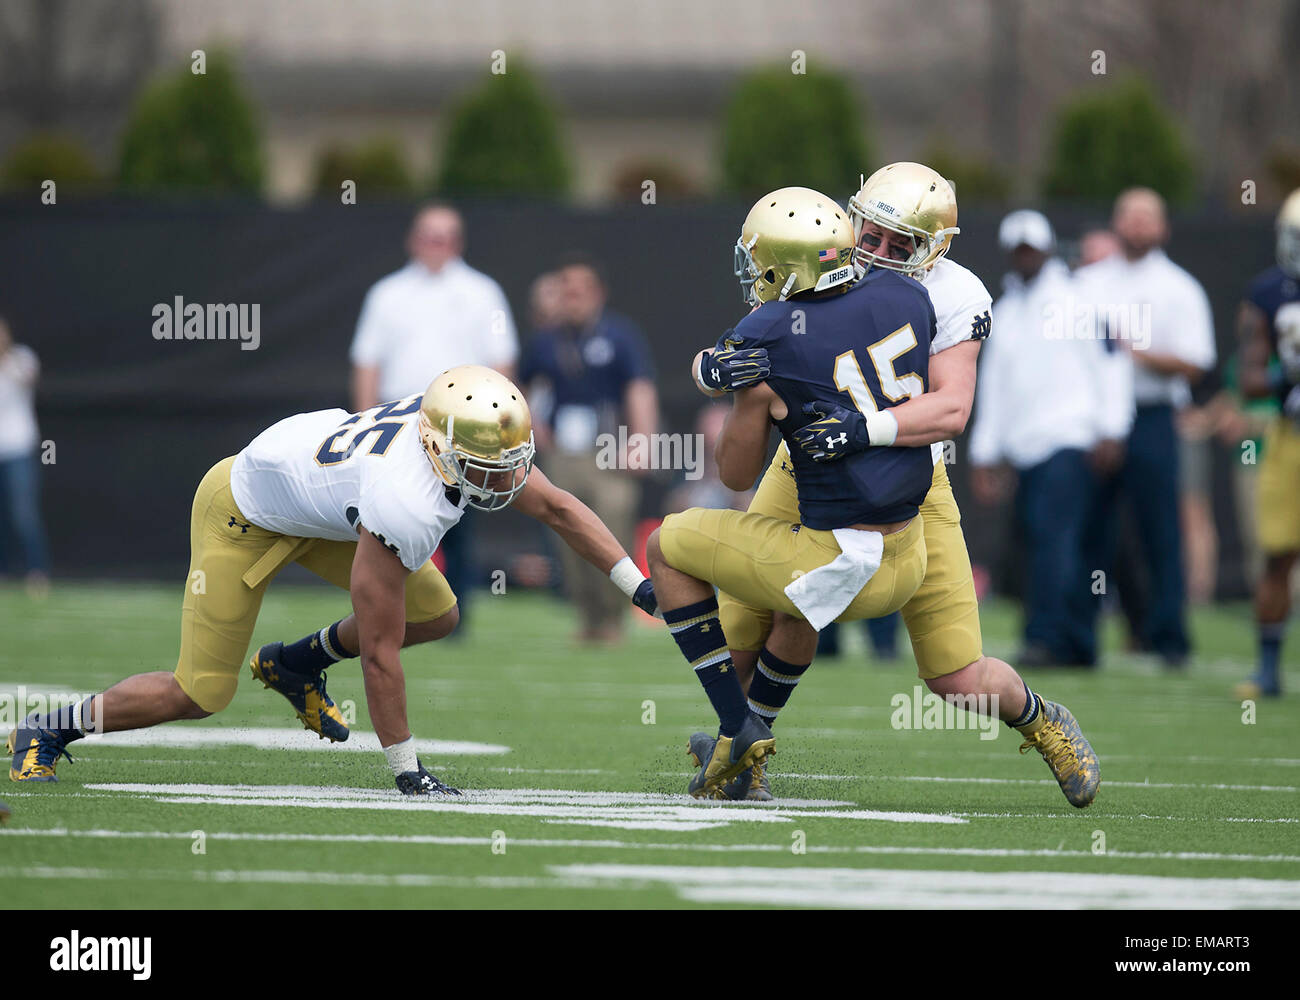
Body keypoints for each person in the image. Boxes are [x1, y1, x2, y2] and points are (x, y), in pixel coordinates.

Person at [7, 366, 658, 792]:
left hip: (321, 502)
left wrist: (639, 588)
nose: (505, 479)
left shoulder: (454, 438)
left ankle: (294, 664)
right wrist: (408, 773)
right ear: (442, 450)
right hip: (243, 512)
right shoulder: (405, 500)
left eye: (510, 461)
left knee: (440, 615)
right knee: (200, 691)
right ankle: (49, 727)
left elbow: (562, 508)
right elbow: (378, 656)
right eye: (489, 465)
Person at [702, 163, 1100, 808]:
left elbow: (951, 410)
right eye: (873, 234)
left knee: (954, 675)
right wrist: (712, 365)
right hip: (807, 464)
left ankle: (1041, 719)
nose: (879, 253)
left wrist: (862, 429)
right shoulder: (827, 256)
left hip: (910, 480)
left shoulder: (956, 293)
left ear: (934, 248)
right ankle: (742, 748)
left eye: (901, 244)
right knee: (745, 622)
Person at [646, 185, 934, 799]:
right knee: (793, 601)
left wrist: (735, 386)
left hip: (837, 556)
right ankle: (746, 753)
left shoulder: (771, 330)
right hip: (909, 555)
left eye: (760, 259)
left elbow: (733, 474)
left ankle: (737, 723)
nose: (754, 271)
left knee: (667, 545)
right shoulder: (907, 293)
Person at [968, 210, 1132, 667]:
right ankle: (1075, 641)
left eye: (1031, 249)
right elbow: (994, 387)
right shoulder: (1006, 308)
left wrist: (1112, 430)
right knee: (1051, 543)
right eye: (1017, 250)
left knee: (1056, 541)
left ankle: (1050, 637)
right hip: (1027, 447)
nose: (1024, 257)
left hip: (1071, 439)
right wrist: (985, 453)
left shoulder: (1079, 300)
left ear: (1045, 250)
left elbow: (1110, 365)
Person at [349, 203, 520, 633]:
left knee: (458, 523)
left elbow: (503, 362)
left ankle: (454, 619)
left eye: (444, 236)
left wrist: (499, 428)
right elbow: (367, 363)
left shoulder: (483, 292)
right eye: (429, 235)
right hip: (400, 423)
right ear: (413, 239)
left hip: (464, 426)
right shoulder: (387, 294)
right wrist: (365, 421)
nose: (436, 245)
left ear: (458, 242)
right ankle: (391, 612)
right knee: (392, 520)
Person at [1077, 188, 1217, 667]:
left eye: (1147, 217)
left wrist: (1135, 352)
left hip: (1152, 416)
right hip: (1095, 420)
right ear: (1116, 221)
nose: (1137, 225)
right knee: (1090, 527)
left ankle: (1168, 635)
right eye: (1129, 216)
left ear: (1162, 227)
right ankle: (1080, 633)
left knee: (1161, 529)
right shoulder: (1089, 282)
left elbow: (1197, 363)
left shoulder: (1179, 288)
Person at [519, 256, 659, 643]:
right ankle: (587, 617)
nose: (573, 299)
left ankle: (613, 617)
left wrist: (642, 441)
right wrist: (533, 426)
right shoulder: (546, 340)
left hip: (609, 447)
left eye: (581, 291)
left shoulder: (620, 335)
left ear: (598, 294)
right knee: (567, 534)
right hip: (563, 452)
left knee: (612, 525)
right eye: (567, 291)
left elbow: (639, 389)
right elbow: (521, 387)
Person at [1235, 188, 1300, 698]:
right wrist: (1288, 377)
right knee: (1277, 553)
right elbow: (1250, 379)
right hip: (1289, 434)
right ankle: (1268, 670)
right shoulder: (1270, 291)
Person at [0, 317, 49, 596]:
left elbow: (30, 379)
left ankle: (37, 571)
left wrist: (6, 357)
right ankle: (4, 572)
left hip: (19, 448)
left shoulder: (21, 358)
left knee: (23, 513)